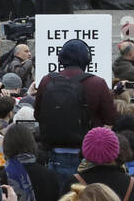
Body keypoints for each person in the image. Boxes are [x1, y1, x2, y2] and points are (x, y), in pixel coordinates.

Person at [35, 39, 117, 179]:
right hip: (86, 155)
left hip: (52, 151)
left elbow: (37, 114)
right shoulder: (97, 83)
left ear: (60, 58)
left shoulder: (46, 81)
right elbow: (110, 118)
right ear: (87, 60)